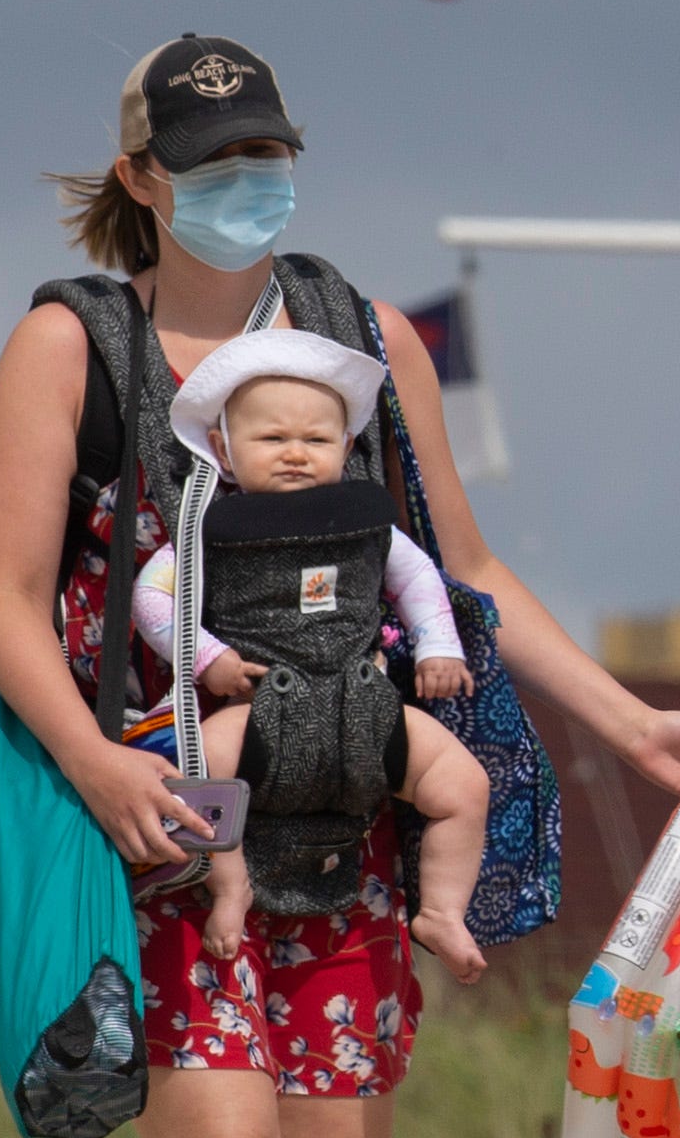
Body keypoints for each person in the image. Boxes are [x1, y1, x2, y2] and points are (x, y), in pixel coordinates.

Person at [0, 33, 680, 1138]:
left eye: (270, 156)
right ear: (143, 176)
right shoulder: (74, 342)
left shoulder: (365, 336)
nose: (250, 185)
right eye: (213, 163)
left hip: (356, 799)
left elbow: (470, 563)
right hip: (170, 807)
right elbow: (6, 595)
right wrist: (96, 764)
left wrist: (629, 724)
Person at [131, 332, 493, 985]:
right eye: (272, 441)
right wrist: (209, 658)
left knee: (464, 785)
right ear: (223, 449)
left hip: (367, 707)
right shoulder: (211, 531)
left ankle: (441, 909)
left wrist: (439, 647)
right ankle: (230, 882)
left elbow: (419, 582)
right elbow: (153, 598)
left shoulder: (367, 526)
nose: (296, 454)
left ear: (346, 448)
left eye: (317, 442)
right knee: (196, 768)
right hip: (261, 708)